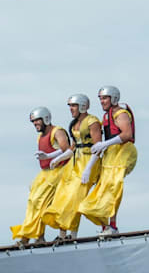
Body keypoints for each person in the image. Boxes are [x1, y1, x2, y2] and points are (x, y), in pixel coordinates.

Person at [77, 85, 138, 235]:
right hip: (111, 153)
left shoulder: (121, 114)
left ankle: (113, 226)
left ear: (114, 98)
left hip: (123, 151)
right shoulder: (107, 115)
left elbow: (127, 134)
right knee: (104, 186)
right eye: (101, 98)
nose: (102, 101)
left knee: (113, 186)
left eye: (105, 98)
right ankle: (106, 226)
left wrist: (105, 143)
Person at [43, 94, 104, 239]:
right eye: (70, 106)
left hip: (88, 162)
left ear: (82, 106)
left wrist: (89, 169)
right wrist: (57, 158)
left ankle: (73, 234)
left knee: (75, 198)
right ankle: (63, 234)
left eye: (74, 106)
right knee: (63, 196)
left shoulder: (92, 122)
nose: (71, 109)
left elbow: (98, 147)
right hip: (75, 163)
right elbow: (73, 147)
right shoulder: (73, 124)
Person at [10, 106, 72, 246]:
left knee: (39, 202)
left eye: (37, 121)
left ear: (45, 119)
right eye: (33, 122)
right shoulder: (41, 136)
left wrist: (50, 156)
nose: (35, 124)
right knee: (33, 203)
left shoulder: (57, 132)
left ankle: (27, 237)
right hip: (45, 174)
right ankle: (37, 236)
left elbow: (65, 148)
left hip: (58, 172)